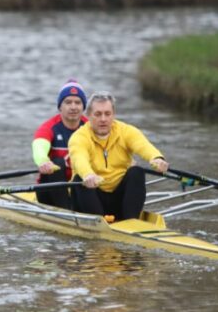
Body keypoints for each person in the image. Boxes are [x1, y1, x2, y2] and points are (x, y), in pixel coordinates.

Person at [68, 91, 169, 221]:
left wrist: (157, 158)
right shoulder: (79, 137)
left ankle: (131, 221)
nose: (103, 119)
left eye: (107, 114)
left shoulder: (126, 131)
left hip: (117, 199)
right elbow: (79, 158)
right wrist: (88, 174)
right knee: (79, 179)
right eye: (98, 114)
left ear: (113, 114)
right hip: (90, 197)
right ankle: (97, 223)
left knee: (137, 172)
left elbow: (142, 145)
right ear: (88, 115)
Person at [32, 79, 88, 209]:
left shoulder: (91, 127)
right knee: (57, 162)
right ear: (60, 106)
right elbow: (39, 147)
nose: (73, 107)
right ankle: (66, 211)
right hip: (49, 191)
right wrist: (43, 161)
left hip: (78, 187)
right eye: (68, 102)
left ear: (83, 107)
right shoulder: (48, 127)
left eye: (78, 102)